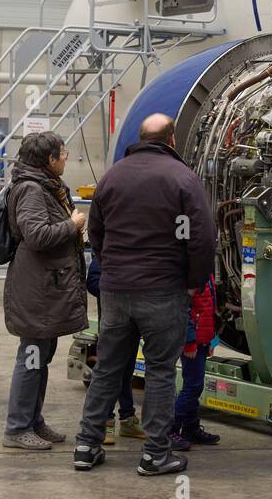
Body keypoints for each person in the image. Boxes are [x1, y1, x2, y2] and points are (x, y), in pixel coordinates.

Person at [74, 113, 215, 476]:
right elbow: (201, 238)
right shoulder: (183, 178)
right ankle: (154, 454)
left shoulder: (112, 176)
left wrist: (112, 267)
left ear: (140, 138)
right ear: (171, 140)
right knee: (160, 372)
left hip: (116, 291)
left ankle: (86, 446)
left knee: (107, 368)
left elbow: (96, 232)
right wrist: (194, 281)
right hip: (163, 290)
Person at [1, 132, 89, 449]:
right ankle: (17, 428)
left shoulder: (45, 187)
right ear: (49, 160)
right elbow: (36, 235)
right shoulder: (31, 189)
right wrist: (73, 225)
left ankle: (32, 421)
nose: (66, 158)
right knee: (32, 356)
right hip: (36, 288)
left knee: (41, 357)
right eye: (63, 154)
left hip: (46, 285)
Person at [85, 250, 146, 445]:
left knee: (127, 372)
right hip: (113, 323)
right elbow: (93, 282)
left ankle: (127, 419)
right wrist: (118, 288)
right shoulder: (106, 249)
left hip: (135, 321)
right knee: (110, 373)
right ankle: (106, 422)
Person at [172, 276, 221, 446]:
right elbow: (183, 309)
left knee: (195, 385)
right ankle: (170, 430)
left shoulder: (205, 273)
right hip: (193, 340)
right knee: (192, 386)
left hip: (202, 338)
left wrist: (211, 339)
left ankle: (190, 428)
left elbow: (209, 308)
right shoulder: (190, 273)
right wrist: (190, 342)